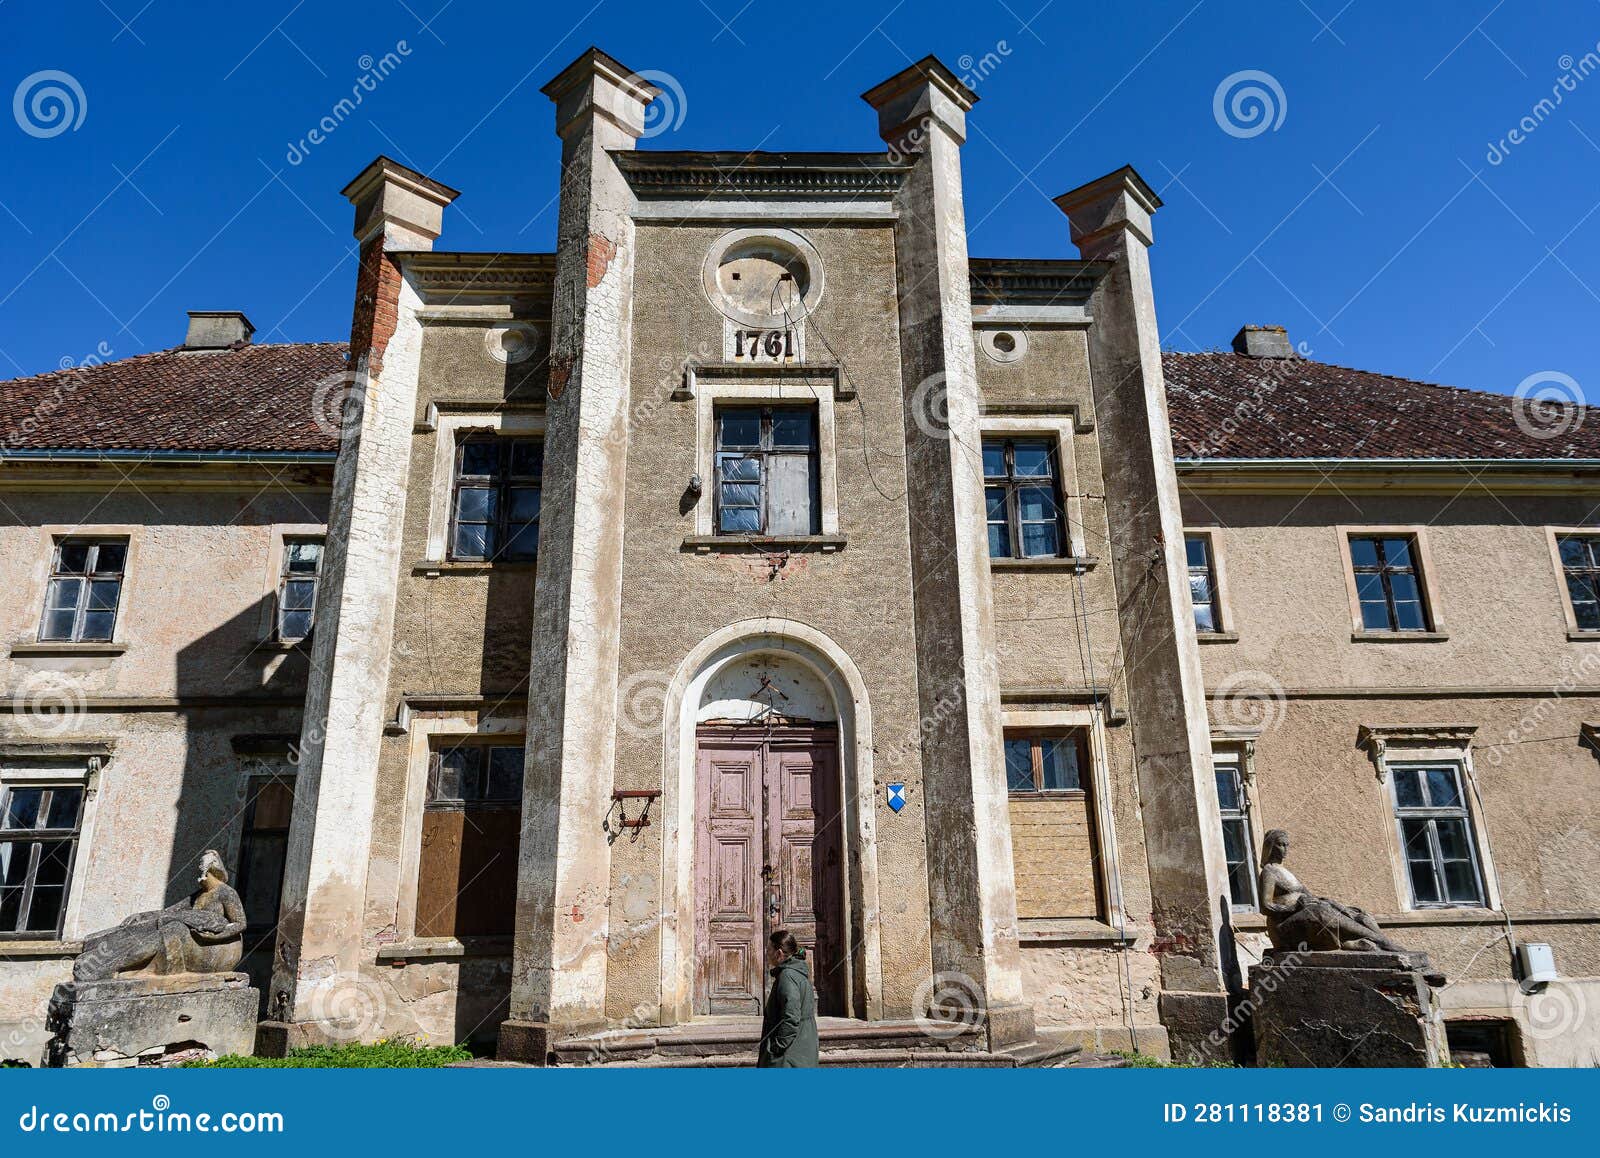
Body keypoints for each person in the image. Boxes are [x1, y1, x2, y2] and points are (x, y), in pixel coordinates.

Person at [757, 929, 819, 1068]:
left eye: (768, 950)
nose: (766, 954)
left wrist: (776, 1047)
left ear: (779, 953)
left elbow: (791, 1017)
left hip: (788, 1056)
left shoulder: (787, 976)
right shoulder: (798, 972)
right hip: (801, 1049)